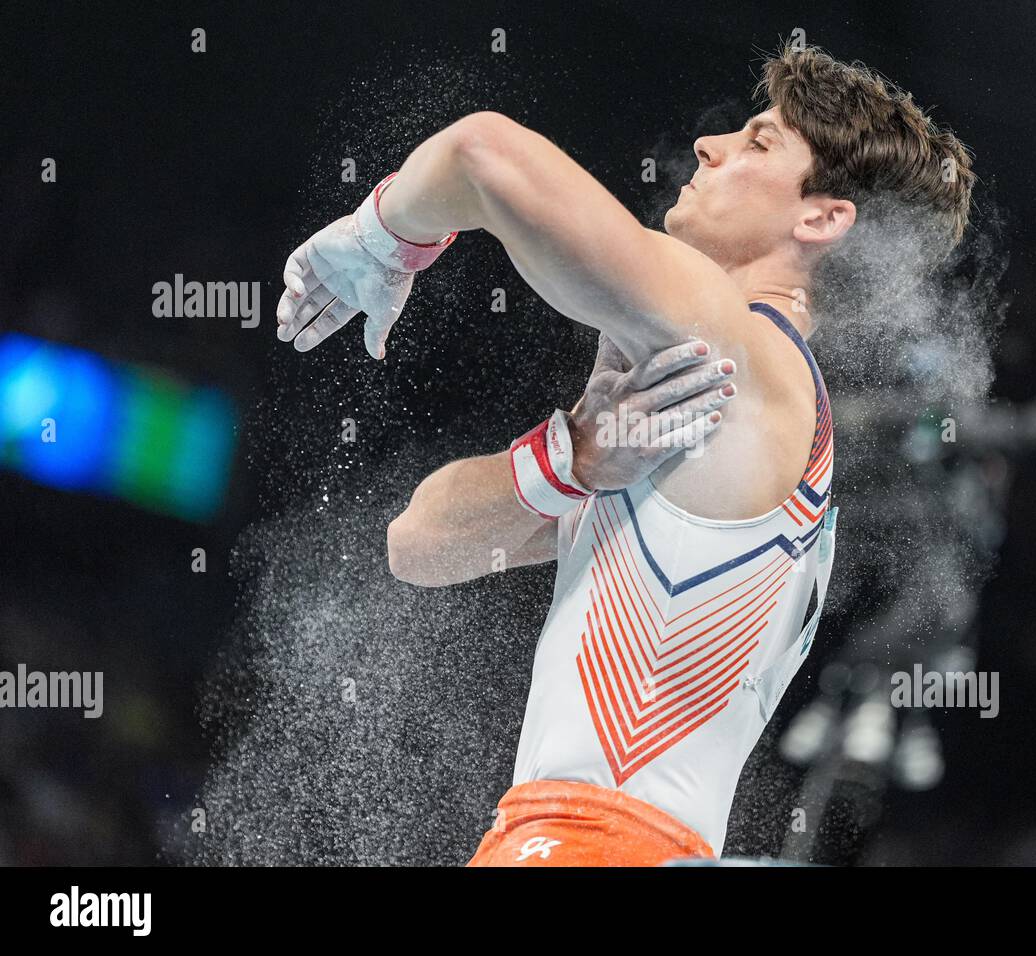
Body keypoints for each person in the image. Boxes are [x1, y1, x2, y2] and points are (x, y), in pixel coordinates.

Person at [275, 40, 974, 864]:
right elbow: (416, 546)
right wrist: (570, 457)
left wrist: (384, 233)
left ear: (821, 219)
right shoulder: (694, 414)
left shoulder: (744, 358)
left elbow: (482, 152)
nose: (709, 147)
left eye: (756, 143)